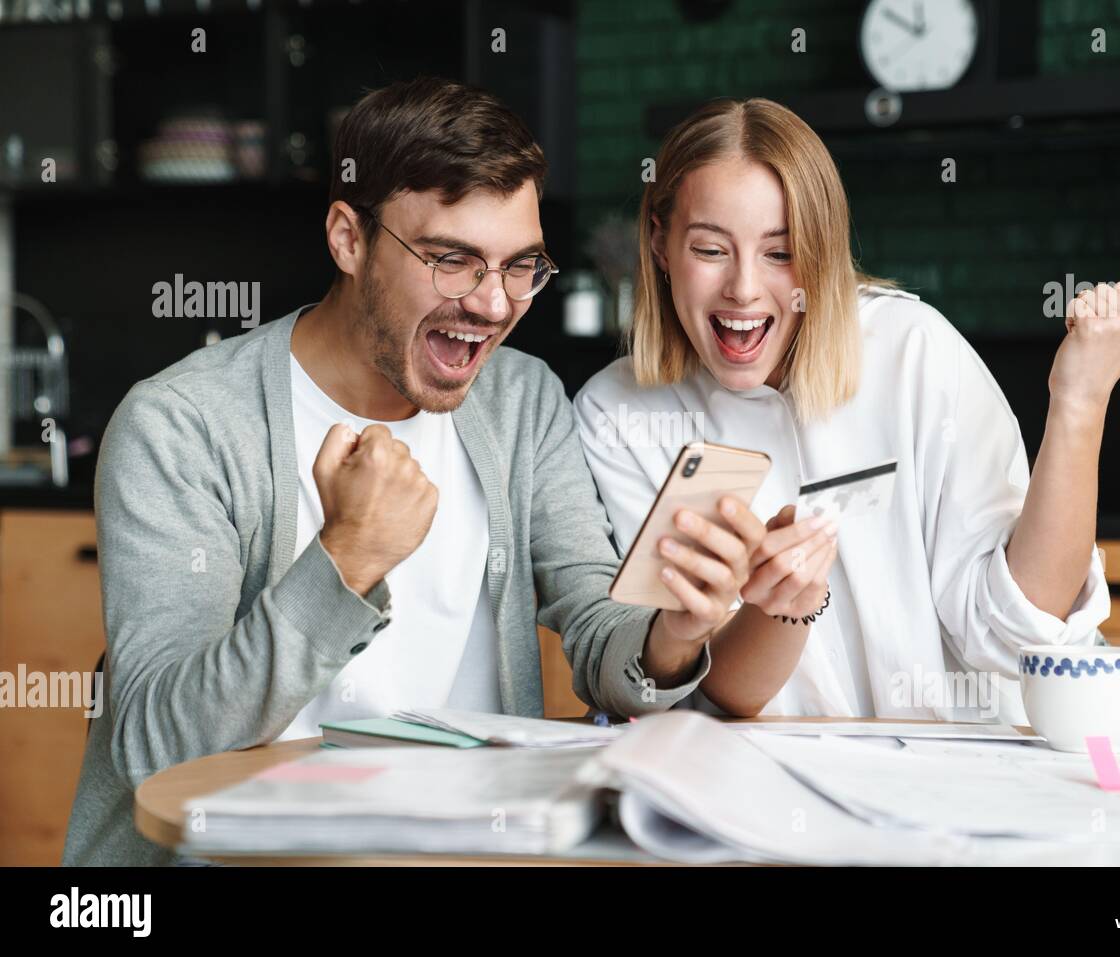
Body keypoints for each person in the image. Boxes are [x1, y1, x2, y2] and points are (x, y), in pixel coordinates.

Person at [63, 77, 746, 866]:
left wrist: (673, 633)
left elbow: (598, 631)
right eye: (453, 260)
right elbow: (157, 746)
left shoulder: (522, 401)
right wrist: (345, 560)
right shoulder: (183, 426)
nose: (493, 304)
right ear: (349, 238)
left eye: (520, 265)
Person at [576, 97, 1120, 721]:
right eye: (711, 249)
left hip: (964, 774)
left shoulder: (912, 349)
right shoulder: (618, 414)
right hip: (764, 787)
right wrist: (778, 608)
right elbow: (693, 696)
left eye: (780, 252)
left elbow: (1023, 630)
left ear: (823, 251)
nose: (743, 288)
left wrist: (1080, 401)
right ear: (660, 243)